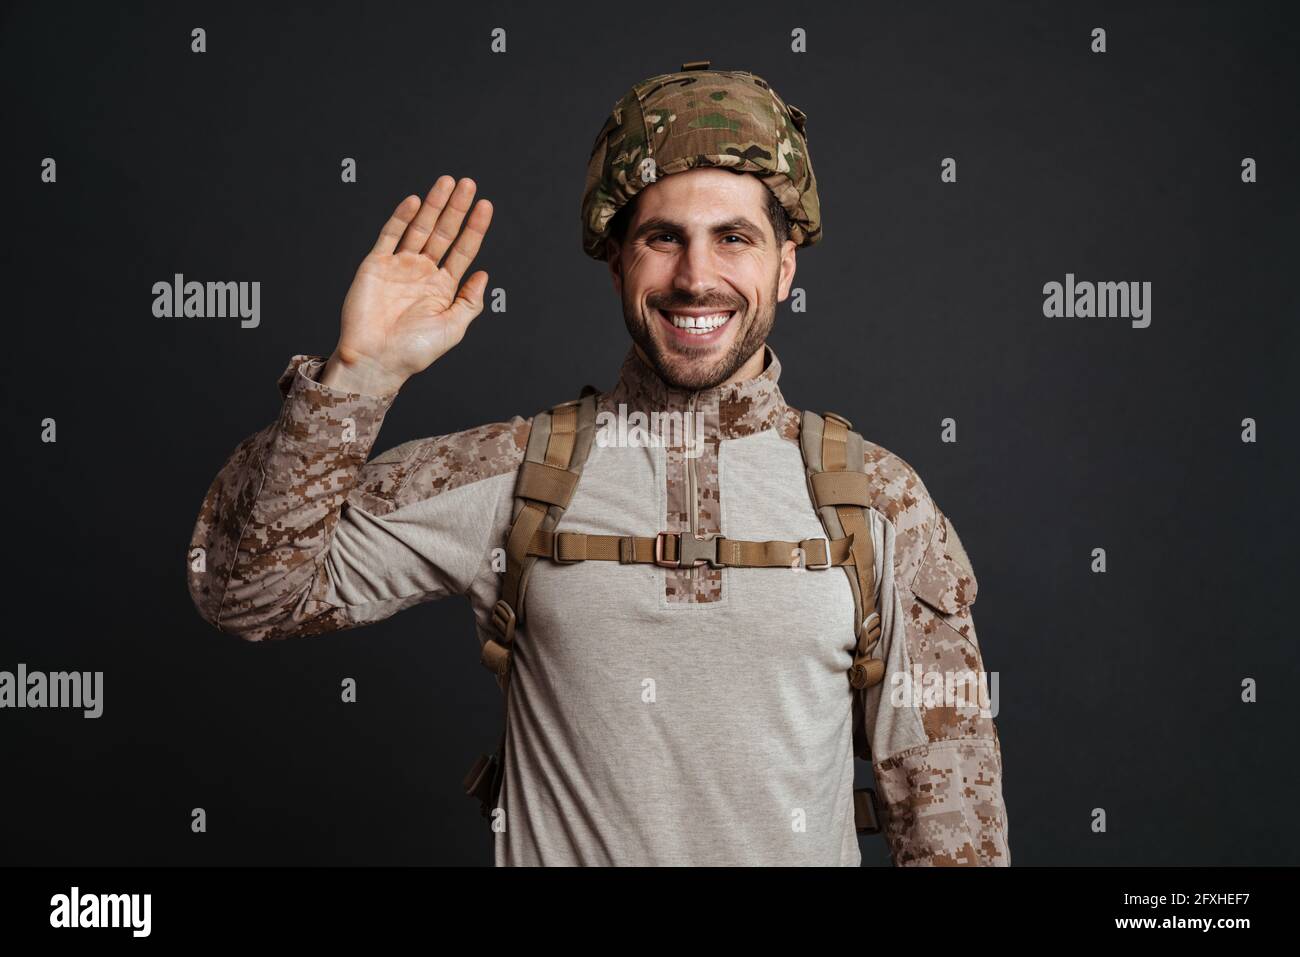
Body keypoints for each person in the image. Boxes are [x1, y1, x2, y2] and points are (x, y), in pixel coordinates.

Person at [187, 62, 1010, 866]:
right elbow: (245, 593)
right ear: (616, 258)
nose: (696, 278)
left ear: (785, 265)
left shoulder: (879, 499)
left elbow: (948, 811)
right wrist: (356, 379)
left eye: (734, 238)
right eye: (662, 237)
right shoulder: (516, 473)